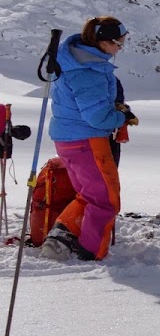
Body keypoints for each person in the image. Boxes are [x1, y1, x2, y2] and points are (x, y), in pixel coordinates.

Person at [42, 16, 138, 261]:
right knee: (106, 199)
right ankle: (91, 251)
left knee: (89, 195)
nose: (120, 49)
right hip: (87, 141)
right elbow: (97, 117)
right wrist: (120, 117)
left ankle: (61, 235)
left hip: (69, 138)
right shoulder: (88, 71)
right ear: (103, 42)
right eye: (118, 43)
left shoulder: (76, 60)